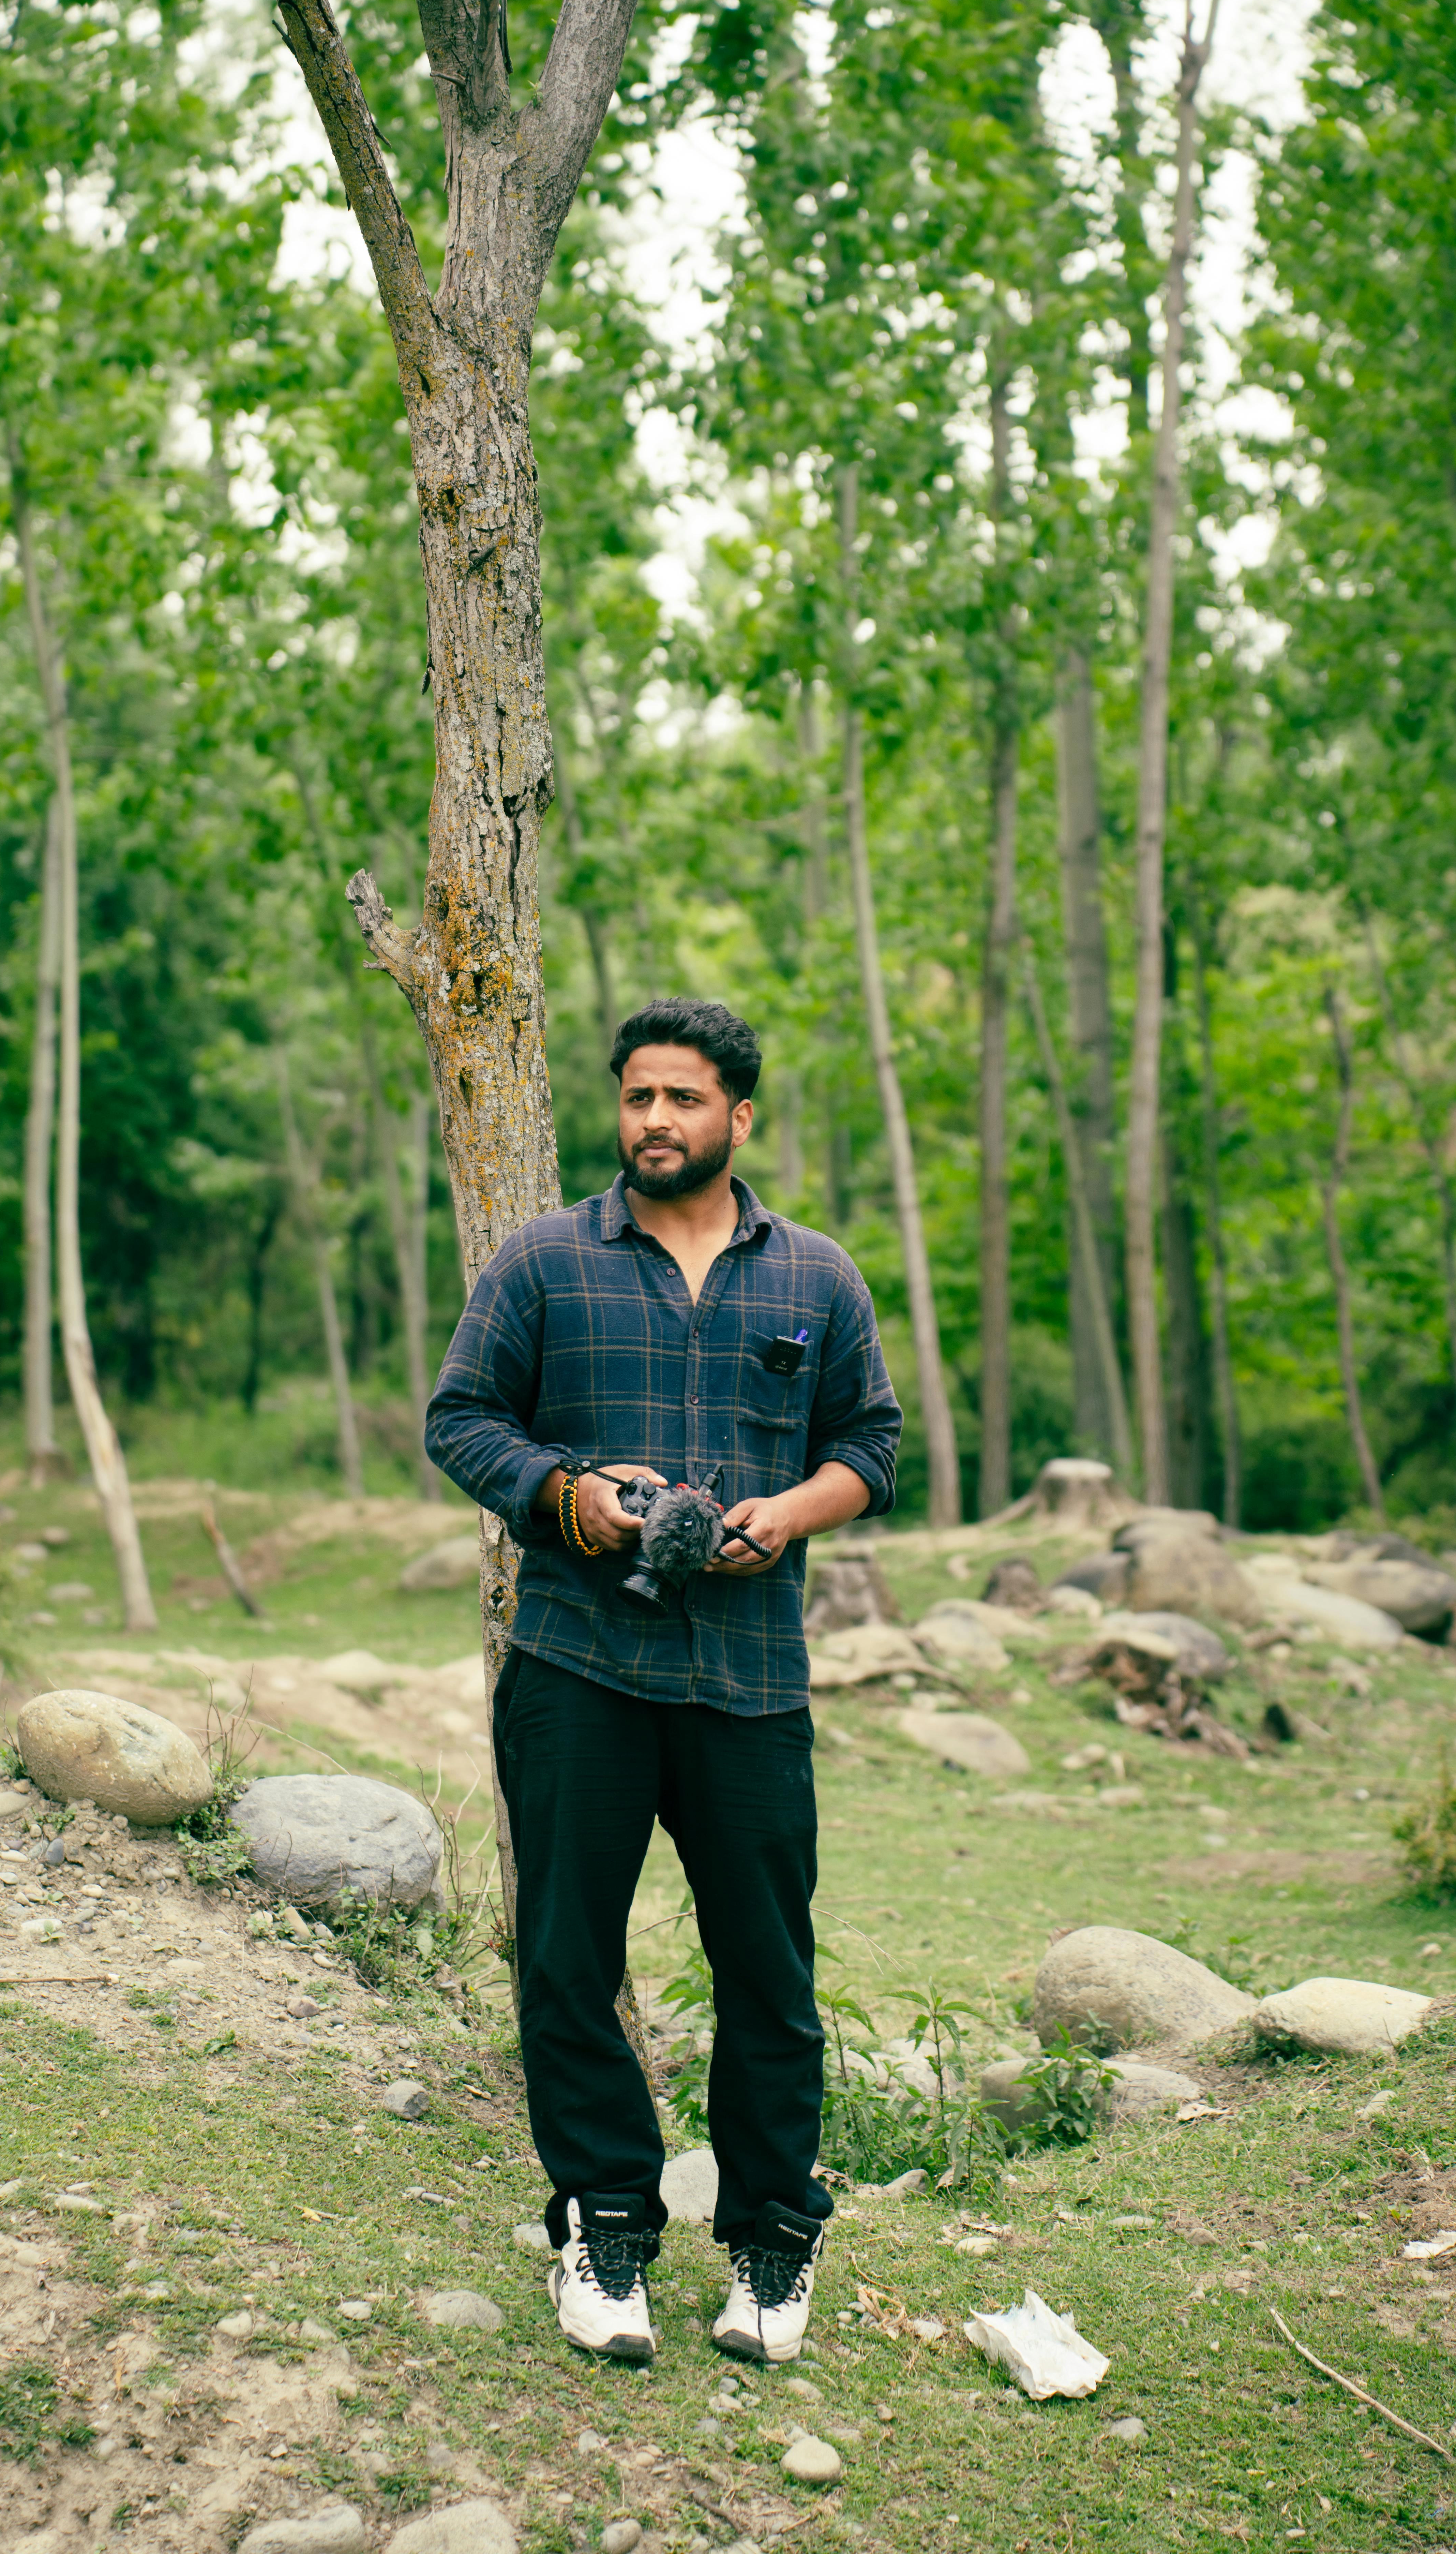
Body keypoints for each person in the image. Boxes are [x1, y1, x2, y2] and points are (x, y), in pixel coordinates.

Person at [426, 997, 902, 2367]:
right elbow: (459, 1418)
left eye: (682, 1098)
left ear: (737, 1117)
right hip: (579, 1663)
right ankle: (604, 2226)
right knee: (569, 1956)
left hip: (750, 1678)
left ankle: (770, 2238)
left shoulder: (814, 1276)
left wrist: (784, 1514)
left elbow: (870, 1442)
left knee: (768, 1968)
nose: (654, 1121)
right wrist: (571, 1496)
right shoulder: (543, 1262)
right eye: (637, 1096)